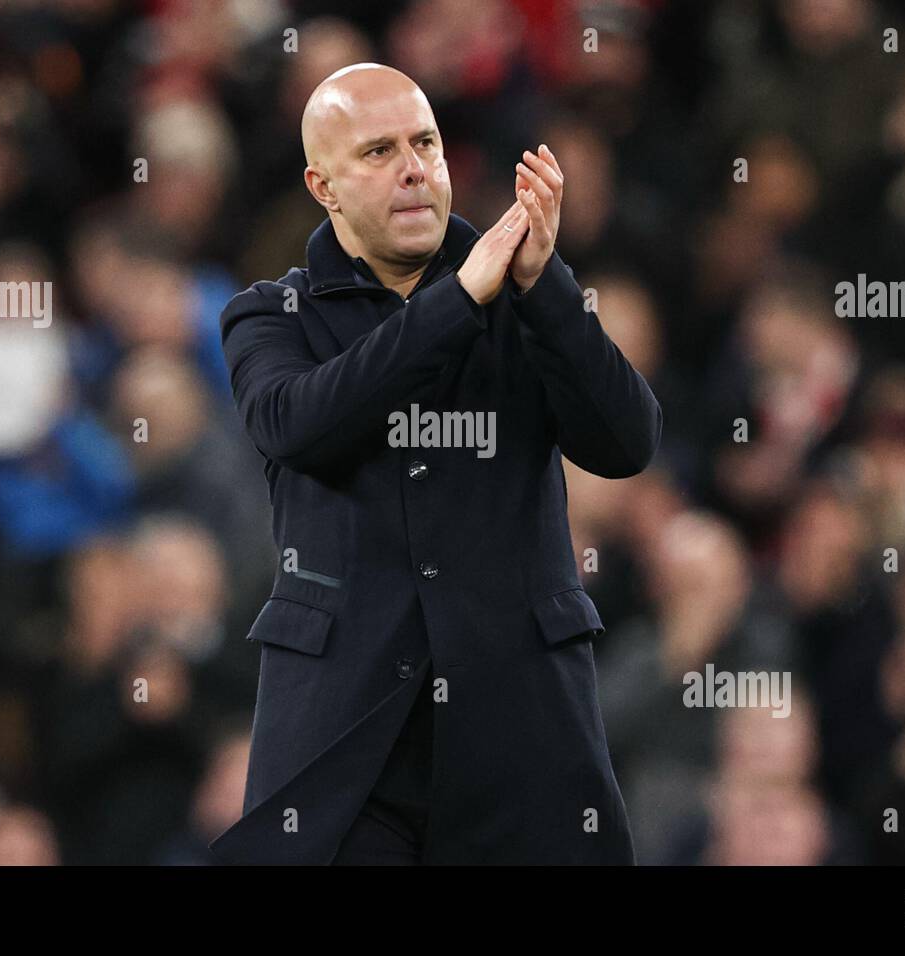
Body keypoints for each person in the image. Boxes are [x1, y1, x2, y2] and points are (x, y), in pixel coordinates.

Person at [208, 63, 661, 864]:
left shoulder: (526, 298)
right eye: (378, 151)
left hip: (522, 728)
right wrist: (457, 302)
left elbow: (627, 442)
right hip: (346, 742)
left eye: (426, 143)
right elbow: (302, 424)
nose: (414, 168)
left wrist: (545, 287)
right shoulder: (270, 315)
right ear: (325, 186)